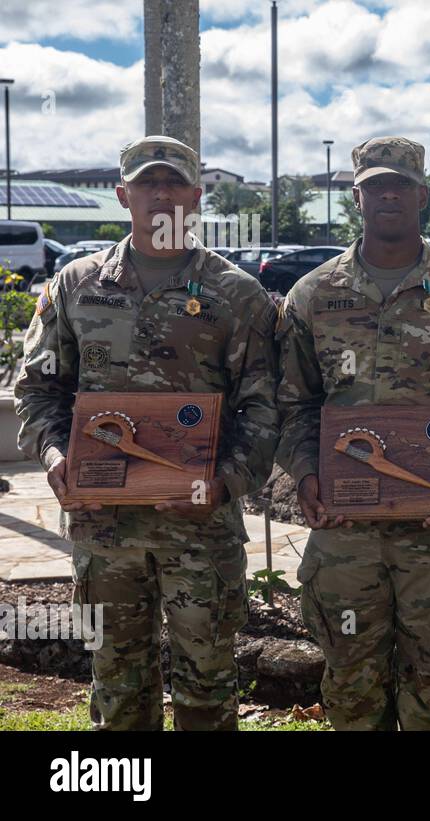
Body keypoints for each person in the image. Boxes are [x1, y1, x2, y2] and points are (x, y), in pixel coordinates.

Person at [14, 135, 279, 730]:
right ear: (122, 194)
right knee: (117, 687)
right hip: (105, 528)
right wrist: (56, 455)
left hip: (199, 528)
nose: (161, 193)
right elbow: (38, 389)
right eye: (146, 182)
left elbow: (264, 407)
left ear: (197, 195)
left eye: (174, 182)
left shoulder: (236, 294)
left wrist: (225, 481)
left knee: (207, 689)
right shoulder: (76, 284)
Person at [276, 136, 430, 730]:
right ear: (357, 196)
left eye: (402, 185)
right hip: (344, 532)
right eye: (377, 185)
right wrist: (306, 474)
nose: (389, 194)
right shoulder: (313, 296)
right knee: (351, 681)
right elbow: (292, 402)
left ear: (422, 195)